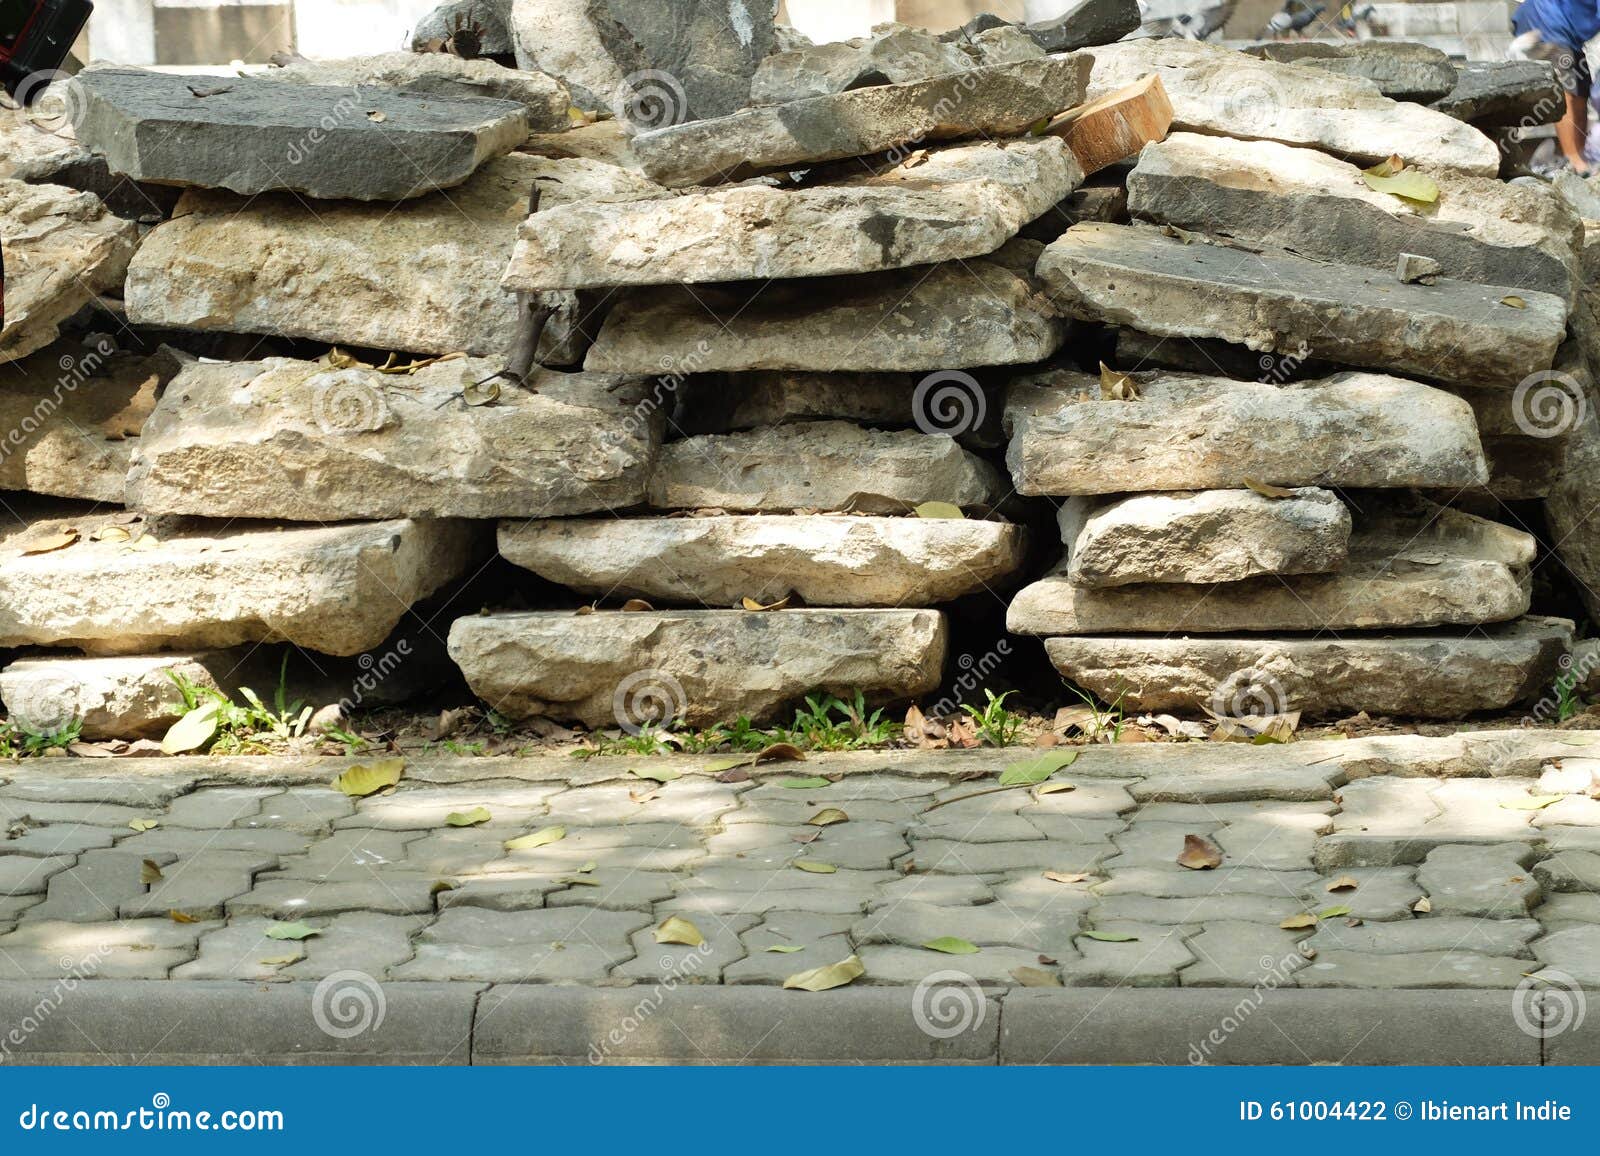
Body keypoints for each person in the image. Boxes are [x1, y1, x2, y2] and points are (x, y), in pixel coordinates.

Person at [1511, 0, 1600, 175]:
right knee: (1567, 91)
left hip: (1564, 30)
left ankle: (1580, 159)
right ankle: (1574, 163)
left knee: (1581, 89)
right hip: (1545, 21)